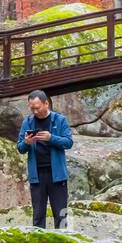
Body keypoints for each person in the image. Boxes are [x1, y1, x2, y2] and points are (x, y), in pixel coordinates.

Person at [17, 90, 74, 229]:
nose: (35, 111)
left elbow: (68, 142)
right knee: (38, 215)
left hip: (57, 175)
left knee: (61, 214)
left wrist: (51, 138)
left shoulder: (59, 120)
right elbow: (20, 147)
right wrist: (26, 143)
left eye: (37, 107)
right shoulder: (28, 122)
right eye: (32, 108)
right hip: (37, 175)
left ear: (46, 103)